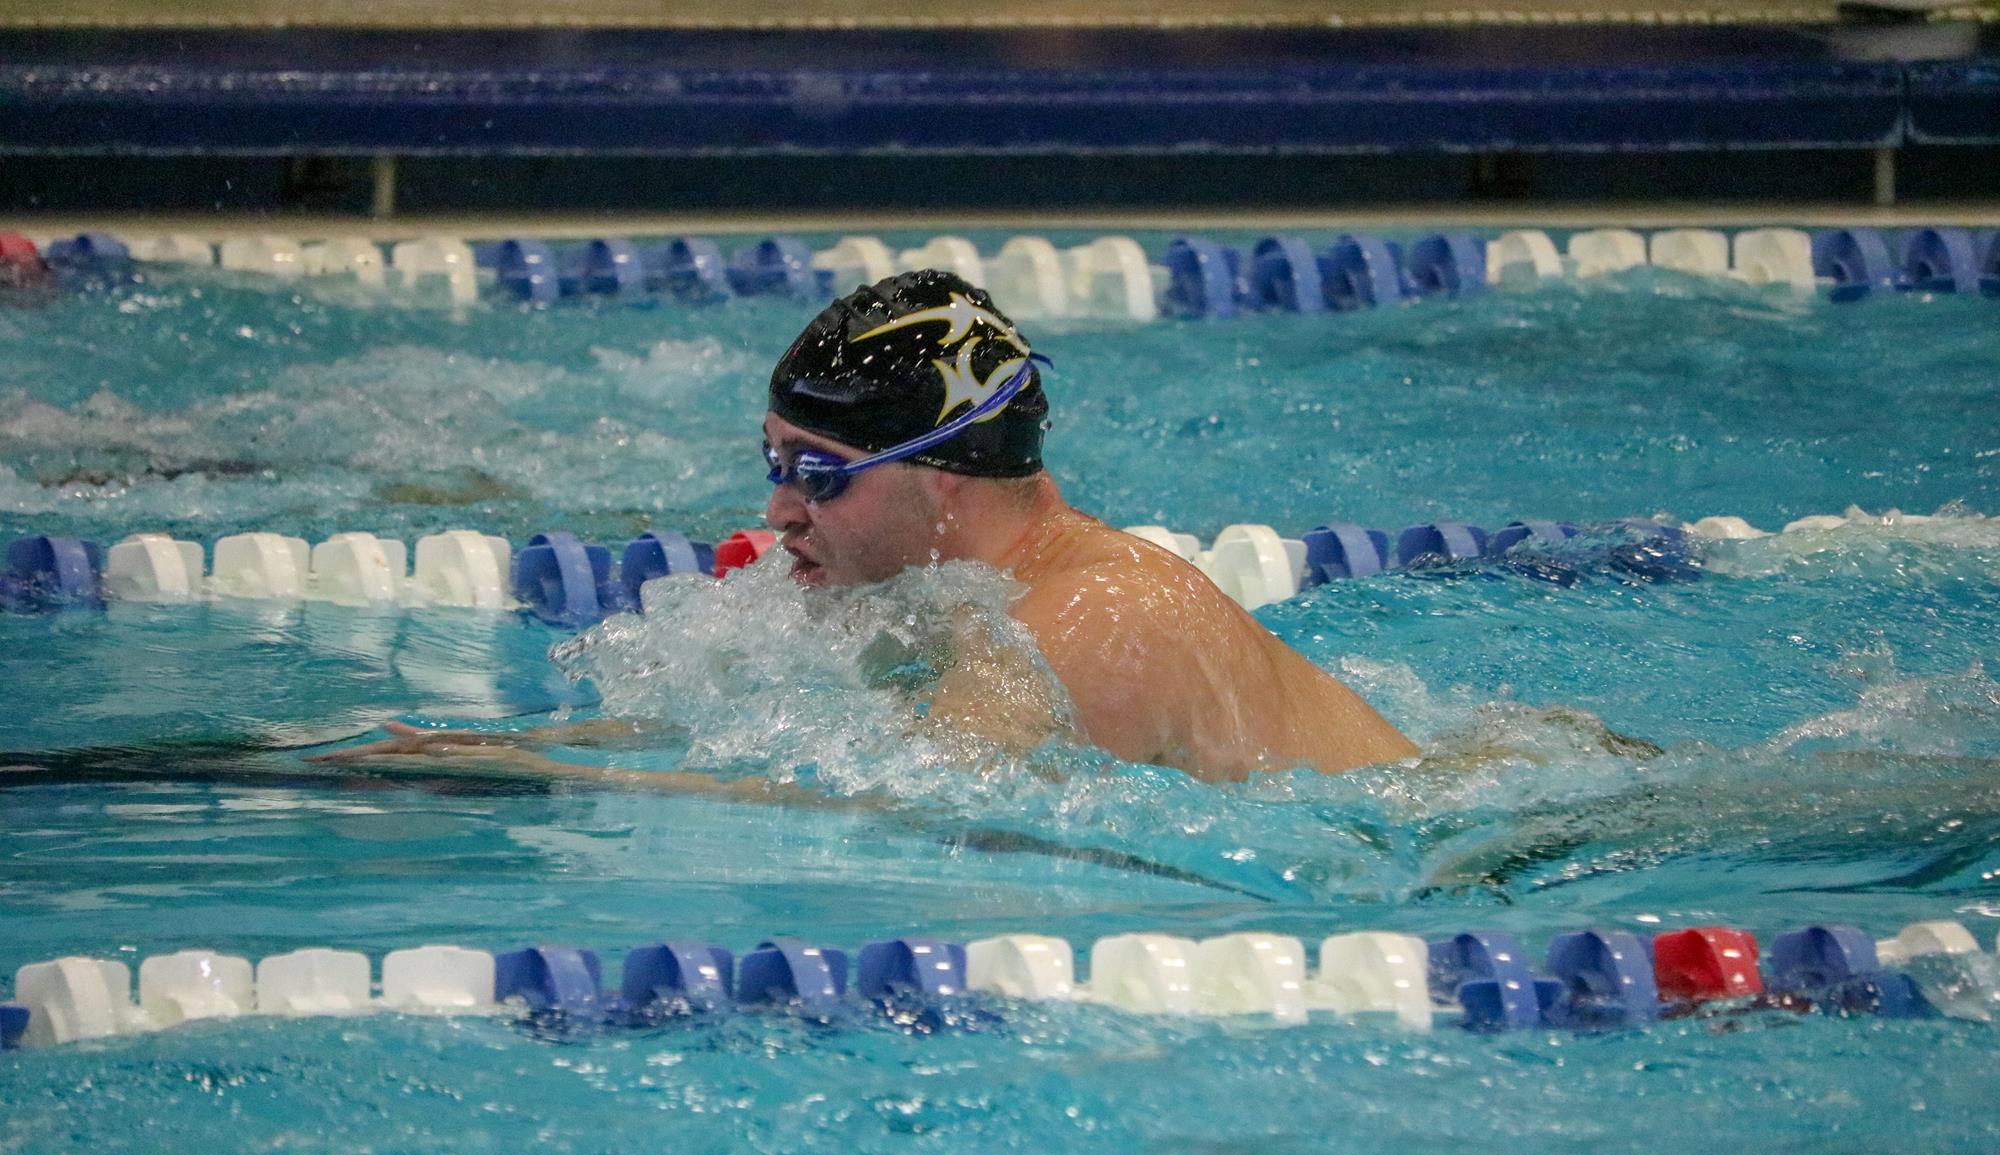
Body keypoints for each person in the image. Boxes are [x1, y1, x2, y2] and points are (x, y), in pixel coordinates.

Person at [321, 270, 1417, 789]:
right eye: (772, 464)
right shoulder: (942, 597)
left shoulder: (1089, 616)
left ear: (941, 481)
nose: (777, 511)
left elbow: (885, 807)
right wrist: (524, 744)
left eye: (816, 477)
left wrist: (549, 784)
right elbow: (786, 734)